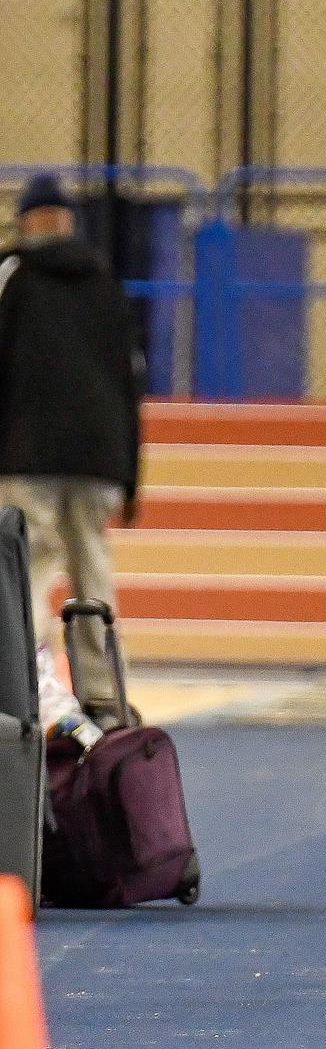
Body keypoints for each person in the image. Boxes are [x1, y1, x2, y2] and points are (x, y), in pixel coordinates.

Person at [0, 174, 144, 742]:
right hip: (97, 455)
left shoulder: (13, 278)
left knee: (26, 569)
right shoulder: (105, 283)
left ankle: (22, 691)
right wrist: (131, 474)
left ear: (27, 220)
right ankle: (105, 695)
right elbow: (128, 381)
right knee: (91, 570)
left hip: (27, 451)